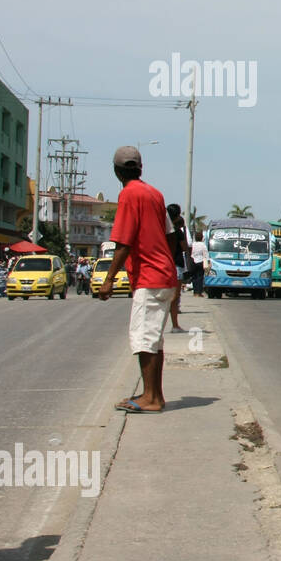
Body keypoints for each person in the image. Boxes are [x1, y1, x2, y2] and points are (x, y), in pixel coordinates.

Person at [98, 146, 180, 413]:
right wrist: (163, 256)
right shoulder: (155, 194)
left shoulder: (128, 195)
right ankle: (154, 394)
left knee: (144, 339)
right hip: (164, 274)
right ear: (140, 168)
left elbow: (123, 241)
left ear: (116, 171)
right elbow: (171, 234)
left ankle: (151, 398)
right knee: (153, 340)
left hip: (150, 276)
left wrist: (109, 279)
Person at [166, 204, 194, 331]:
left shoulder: (162, 229)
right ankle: (175, 325)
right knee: (174, 296)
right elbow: (184, 248)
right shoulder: (177, 232)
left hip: (162, 264)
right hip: (176, 265)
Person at [189, 231, 208, 297]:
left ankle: (195, 292)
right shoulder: (203, 245)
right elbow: (205, 255)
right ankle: (199, 292)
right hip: (200, 262)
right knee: (200, 277)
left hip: (193, 262)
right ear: (202, 238)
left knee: (194, 277)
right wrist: (208, 262)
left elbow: (190, 253)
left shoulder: (193, 244)